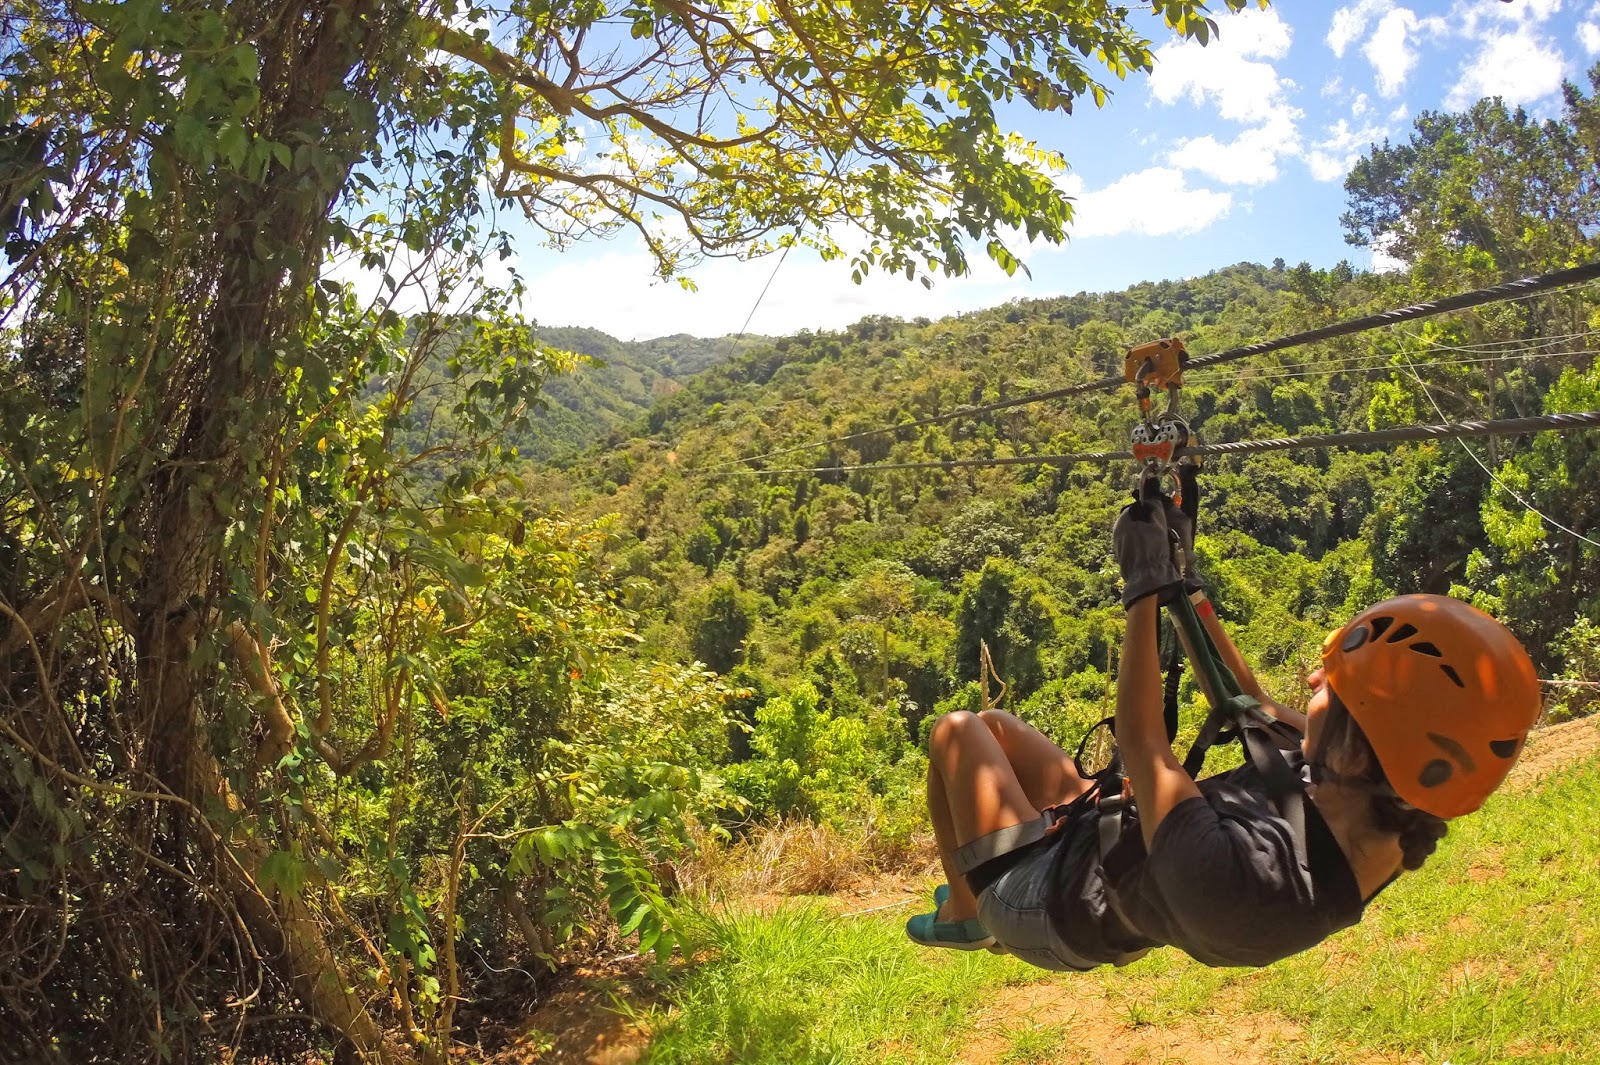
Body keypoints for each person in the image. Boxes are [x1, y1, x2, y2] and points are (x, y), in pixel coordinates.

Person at [907, 488, 1542, 970]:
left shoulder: (1243, 885)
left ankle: (971, 913)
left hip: (1046, 905)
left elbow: (1145, 745)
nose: (1315, 688)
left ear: (1366, 744)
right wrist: (1186, 584)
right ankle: (974, 895)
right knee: (995, 725)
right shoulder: (1371, 790)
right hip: (1100, 846)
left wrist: (1141, 592)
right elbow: (1249, 703)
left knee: (957, 730)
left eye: (1335, 690)